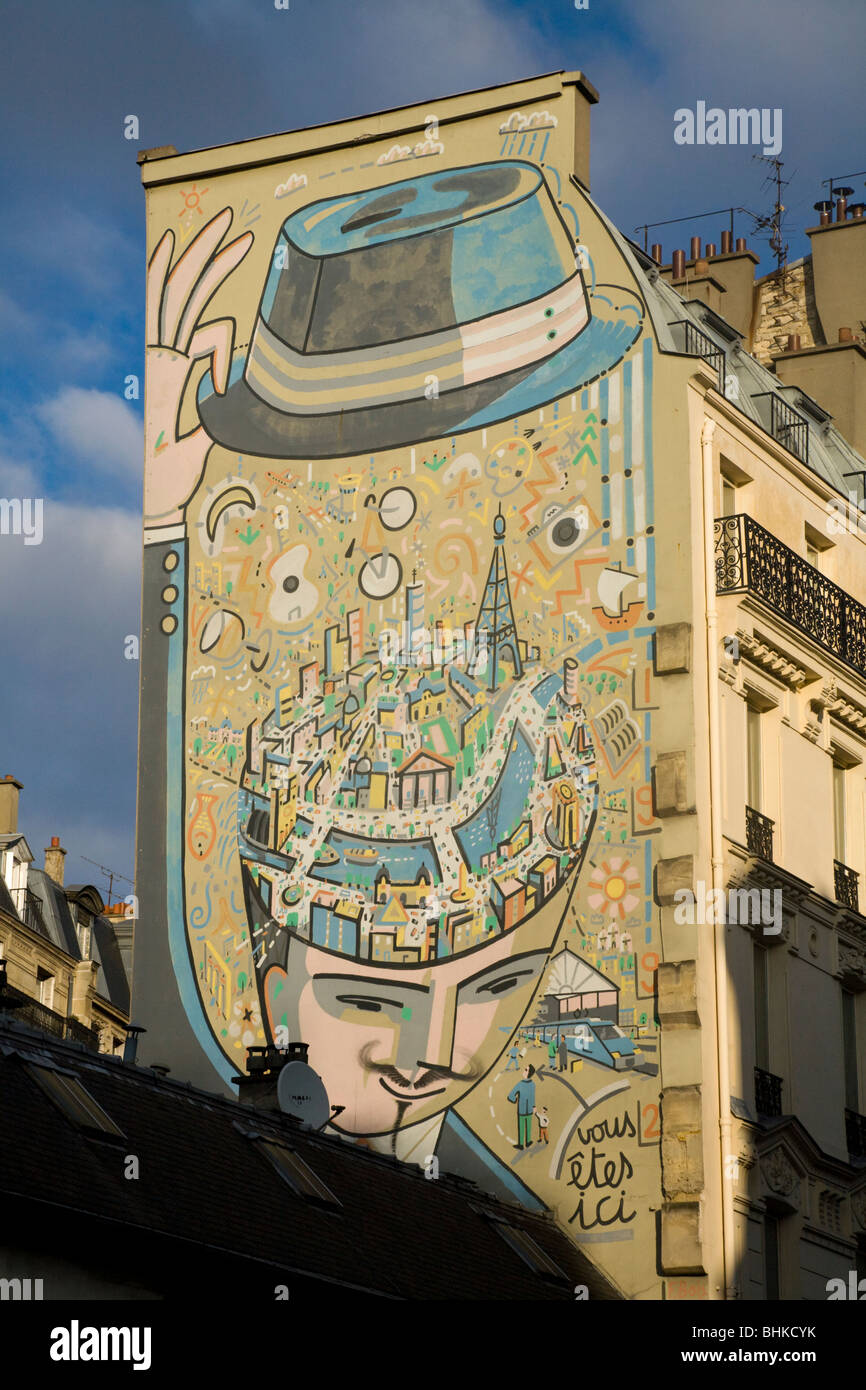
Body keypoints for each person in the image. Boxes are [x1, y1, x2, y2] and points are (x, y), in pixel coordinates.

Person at [507, 1064, 537, 1150]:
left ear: (528, 1073)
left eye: (525, 1069)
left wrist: (515, 1100)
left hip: (522, 1110)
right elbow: (532, 1096)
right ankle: (528, 1142)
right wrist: (534, 1106)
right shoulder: (532, 1084)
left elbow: (511, 1095)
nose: (524, 1071)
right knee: (528, 1126)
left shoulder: (520, 1084)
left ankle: (521, 1144)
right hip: (529, 1110)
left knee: (522, 1127)